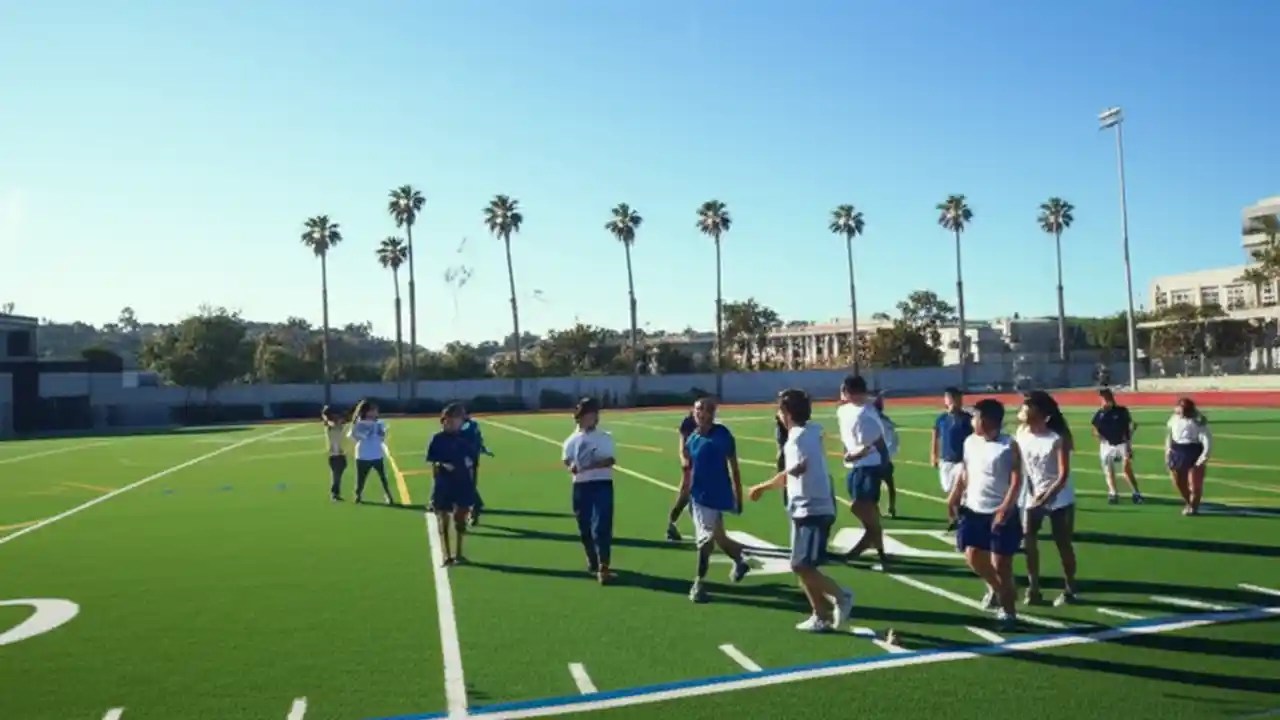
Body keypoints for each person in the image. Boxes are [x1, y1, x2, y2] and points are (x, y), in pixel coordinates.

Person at [749, 389, 853, 633]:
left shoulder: (796, 439)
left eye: (779, 410)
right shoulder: (810, 431)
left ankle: (841, 595)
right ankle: (820, 615)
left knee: (801, 566)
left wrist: (761, 487)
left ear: (786, 412)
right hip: (803, 507)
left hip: (812, 508)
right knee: (800, 566)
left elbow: (794, 471)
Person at [948, 398, 1022, 630]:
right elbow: (965, 471)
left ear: (987, 420)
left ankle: (1009, 613)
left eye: (976, 417)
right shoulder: (970, 441)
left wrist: (1005, 507)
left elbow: (1016, 480)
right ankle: (999, 590)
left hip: (999, 511)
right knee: (972, 556)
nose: (972, 421)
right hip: (974, 509)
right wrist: (955, 494)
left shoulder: (1008, 445)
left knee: (1002, 565)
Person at [685, 396, 750, 603]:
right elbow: (690, 471)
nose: (700, 413)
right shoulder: (692, 439)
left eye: (705, 410)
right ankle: (735, 563)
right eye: (697, 409)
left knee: (713, 539)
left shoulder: (722, 436)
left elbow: (734, 466)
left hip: (719, 495)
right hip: (700, 498)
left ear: (712, 413)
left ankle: (699, 582)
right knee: (710, 539)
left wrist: (738, 495)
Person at [1016, 392, 1078, 607]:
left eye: (1027, 406)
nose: (1022, 409)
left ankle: (1070, 587)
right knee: (1028, 539)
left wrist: (1047, 496)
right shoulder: (1021, 433)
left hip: (1060, 498)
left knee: (1063, 543)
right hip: (1033, 495)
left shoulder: (1056, 439)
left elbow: (1063, 474)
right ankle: (1033, 588)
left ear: (1041, 413)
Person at [561, 397, 617, 584]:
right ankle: (592, 559)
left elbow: (610, 460)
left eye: (594, 414)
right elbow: (566, 458)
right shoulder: (571, 440)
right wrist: (571, 465)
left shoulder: (604, 437)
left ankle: (604, 566)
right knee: (584, 525)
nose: (593, 418)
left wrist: (589, 466)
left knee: (602, 525)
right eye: (589, 414)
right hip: (581, 485)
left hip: (601, 483)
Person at [837, 375, 888, 564]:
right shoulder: (844, 410)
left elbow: (877, 443)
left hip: (868, 465)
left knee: (860, 506)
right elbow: (847, 438)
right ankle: (880, 551)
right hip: (855, 465)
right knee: (868, 510)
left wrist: (854, 456)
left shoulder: (866, 414)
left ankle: (866, 543)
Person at [426, 404, 477, 566]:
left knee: (460, 519)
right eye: (449, 420)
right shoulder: (437, 438)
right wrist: (442, 465)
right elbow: (433, 461)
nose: (453, 423)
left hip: (462, 482)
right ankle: (446, 554)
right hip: (444, 483)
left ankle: (459, 553)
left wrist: (471, 485)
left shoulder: (466, 438)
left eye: (457, 420)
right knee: (443, 518)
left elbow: (472, 462)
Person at [931, 387, 973, 529]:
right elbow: (935, 436)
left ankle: (956, 518)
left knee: (957, 492)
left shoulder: (967, 419)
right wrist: (933, 455)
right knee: (949, 489)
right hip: (946, 461)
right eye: (950, 398)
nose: (954, 401)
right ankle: (955, 518)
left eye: (956, 398)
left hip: (962, 461)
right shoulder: (942, 419)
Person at [1091, 388, 1143, 504]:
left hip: (1121, 443)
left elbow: (1128, 428)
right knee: (1109, 470)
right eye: (1102, 399)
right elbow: (1094, 429)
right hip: (1106, 445)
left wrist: (1129, 444)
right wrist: (1098, 436)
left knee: (1126, 469)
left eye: (1105, 398)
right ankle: (1113, 493)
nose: (1104, 401)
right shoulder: (1100, 414)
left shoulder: (1121, 411)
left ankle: (1136, 492)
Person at [1165, 397, 1212, 516]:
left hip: (1193, 450)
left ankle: (1193, 507)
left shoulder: (1198, 422)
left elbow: (1207, 440)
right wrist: (1167, 450)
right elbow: (1170, 435)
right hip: (1177, 451)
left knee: (1195, 484)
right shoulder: (1174, 419)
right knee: (1177, 481)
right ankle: (1189, 502)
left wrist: (1203, 457)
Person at [349, 400, 393, 505]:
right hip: (363, 455)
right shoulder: (359, 423)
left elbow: (382, 438)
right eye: (374, 410)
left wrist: (382, 433)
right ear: (367, 411)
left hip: (377, 454)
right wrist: (364, 432)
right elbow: (353, 436)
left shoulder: (379, 423)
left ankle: (389, 496)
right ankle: (358, 495)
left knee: (383, 477)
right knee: (361, 478)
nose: (376, 412)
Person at [665, 409, 698, 541]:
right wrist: (684, 460)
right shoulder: (689, 422)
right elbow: (683, 444)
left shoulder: (709, 421)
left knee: (698, 495)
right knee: (685, 495)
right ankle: (671, 524)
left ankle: (704, 527)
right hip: (691, 463)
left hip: (703, 462)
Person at [460, 408, 495, 526]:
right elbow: (479, 440)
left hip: (465, 460)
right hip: (472, 458)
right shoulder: (473, 425)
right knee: (469, 485)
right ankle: (474, 510)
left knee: (466, 485)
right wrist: (483, 449)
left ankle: (475, 506)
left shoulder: (464, 427)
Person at [873, 394, 900, 518]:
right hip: (885, 456)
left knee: (876, 485)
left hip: (877, 457)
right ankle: (891, 507)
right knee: (889, 484)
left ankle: (878, 508)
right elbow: (894, 438)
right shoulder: (885, 420)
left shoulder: (874, 420)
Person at [322, 406, 348, 502]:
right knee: (336, 475)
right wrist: (325, 415)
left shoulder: (340, 427)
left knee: (337, 475)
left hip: (341, 454)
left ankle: (336, 493)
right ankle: (334, 494)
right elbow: (329, 422)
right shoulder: (330, 427)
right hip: (334, 455)